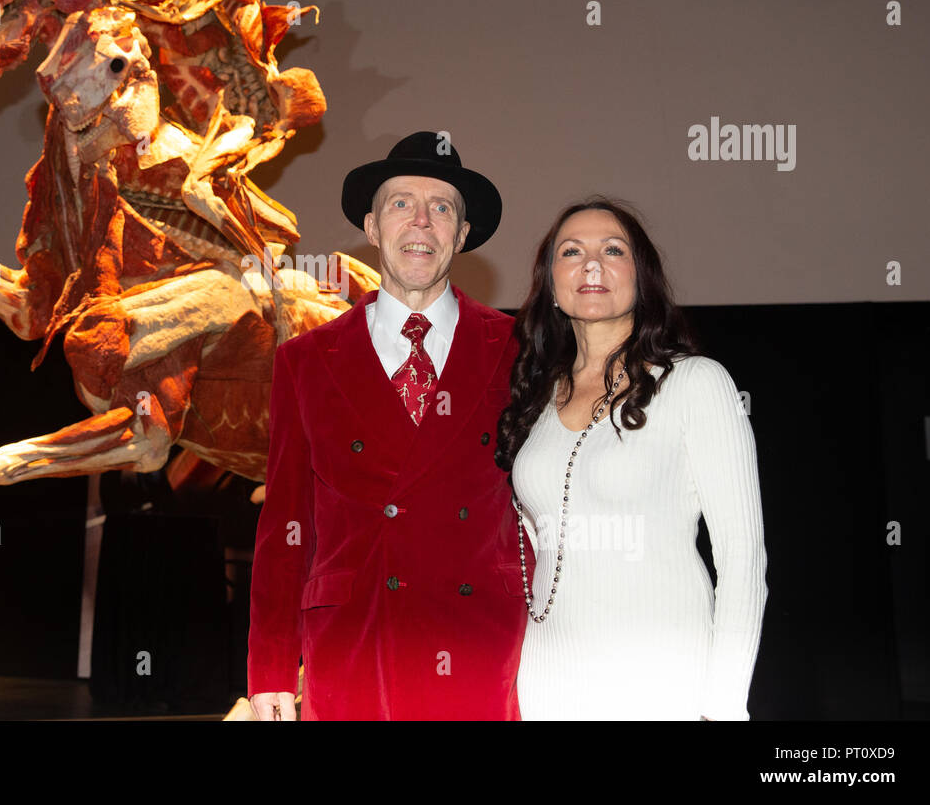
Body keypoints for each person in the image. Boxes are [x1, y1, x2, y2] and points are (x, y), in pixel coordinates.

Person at [247, 130, 533, 720]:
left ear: (464, 234)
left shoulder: (519, 349)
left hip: (480, 637)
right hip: (353, 641)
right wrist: (271, 665)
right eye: (401, 203)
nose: (422, 222)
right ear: (373, 229)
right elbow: (287, 525)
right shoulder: (304, 361)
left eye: (442, 208)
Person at [495, 197, 767, 720]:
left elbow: (743, 560)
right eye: (571, 251)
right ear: (550, 283)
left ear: (641, 278)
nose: (591, 265)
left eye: (612, 250)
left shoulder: (695, 383)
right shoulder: (536, 397)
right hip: (546, 681)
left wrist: (724, 705)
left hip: (660, 683)